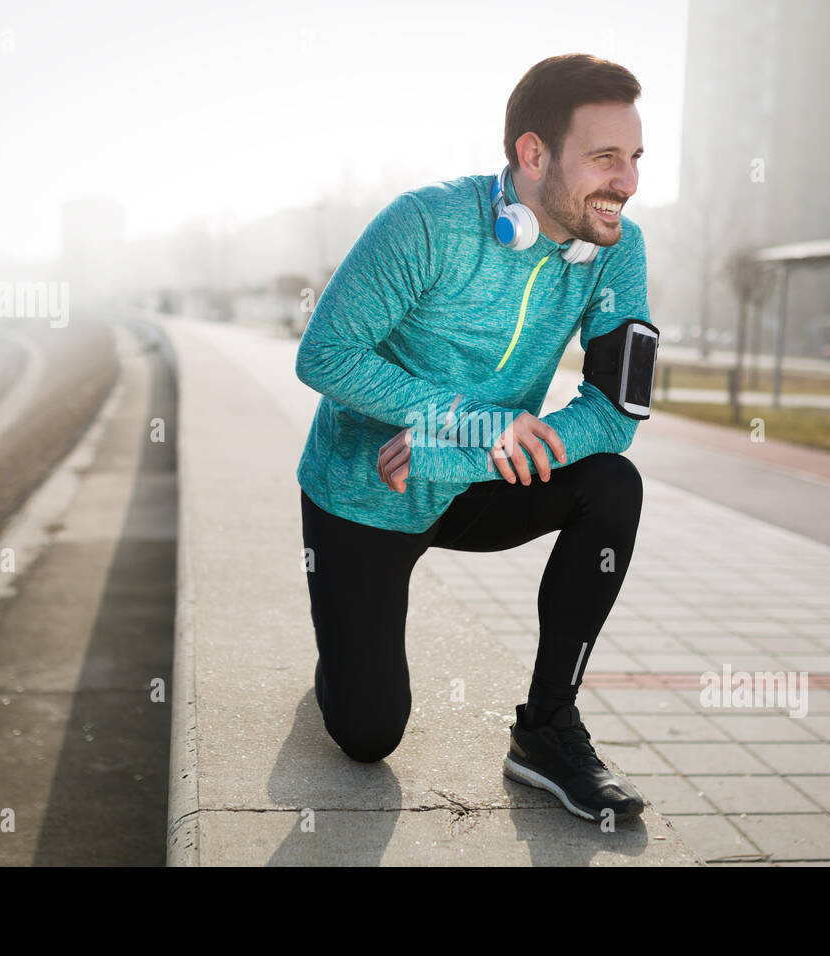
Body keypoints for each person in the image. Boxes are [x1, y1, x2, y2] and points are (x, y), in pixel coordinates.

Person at [294, 54, 653, 824]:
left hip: (470, 479)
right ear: (532, 155)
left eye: (633, 158)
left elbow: (614, 413)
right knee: (366, 733)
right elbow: (323, 354)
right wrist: (476, 421)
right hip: (369, 489)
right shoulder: (425, 224)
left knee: (613, 486)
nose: (626, 182)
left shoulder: (617, 249)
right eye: (604, 158)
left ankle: (547, 732)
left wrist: (461, 446)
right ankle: (343, 651)